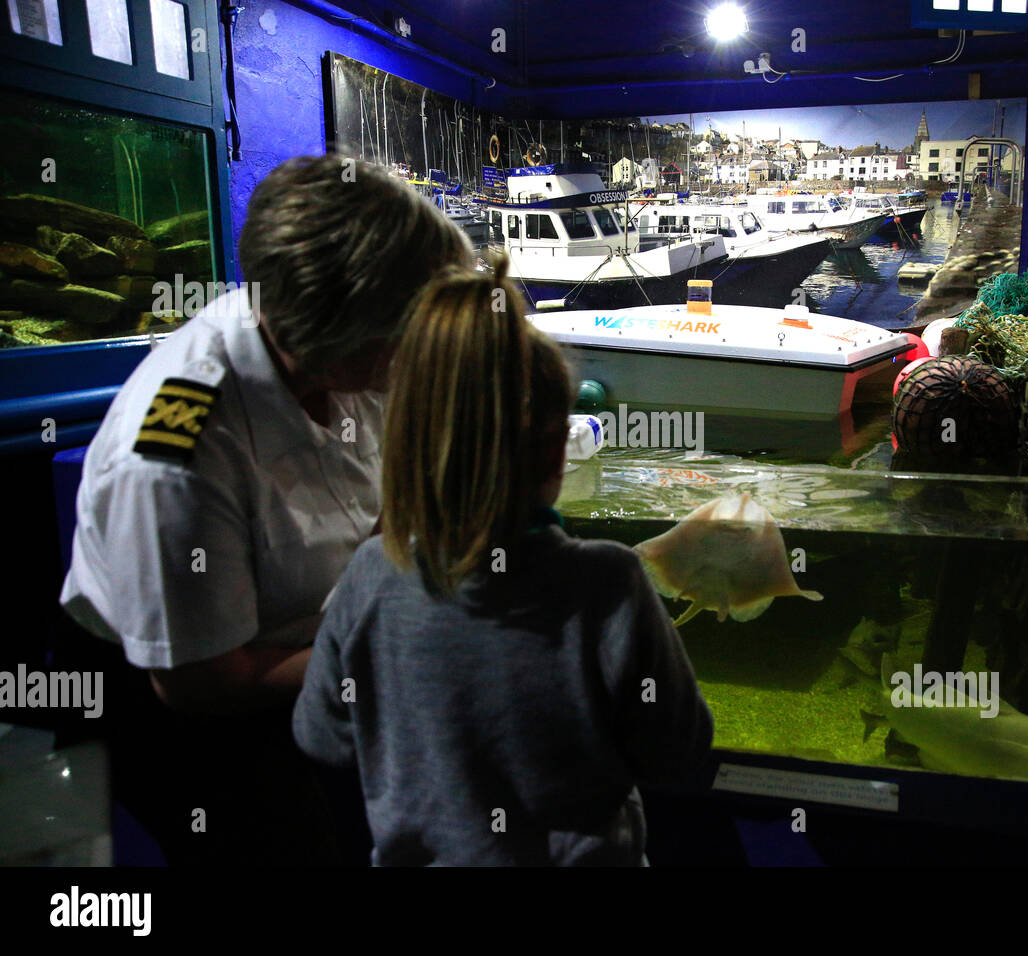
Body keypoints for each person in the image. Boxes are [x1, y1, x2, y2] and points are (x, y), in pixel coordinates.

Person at [58, 155, 473, 864]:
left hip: (312, 635)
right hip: (180, 691)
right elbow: (202, 683)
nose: (419, 358)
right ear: (333, 336)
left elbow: (395, 486)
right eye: (402, 341)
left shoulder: (345, 351)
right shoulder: (173, 453)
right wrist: (390, 646)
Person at [292, 260, 715, 866]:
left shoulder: (369, 577)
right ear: (555, 449)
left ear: (406, 443)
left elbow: (322, 735)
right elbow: (679, 753)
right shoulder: (607, 584)